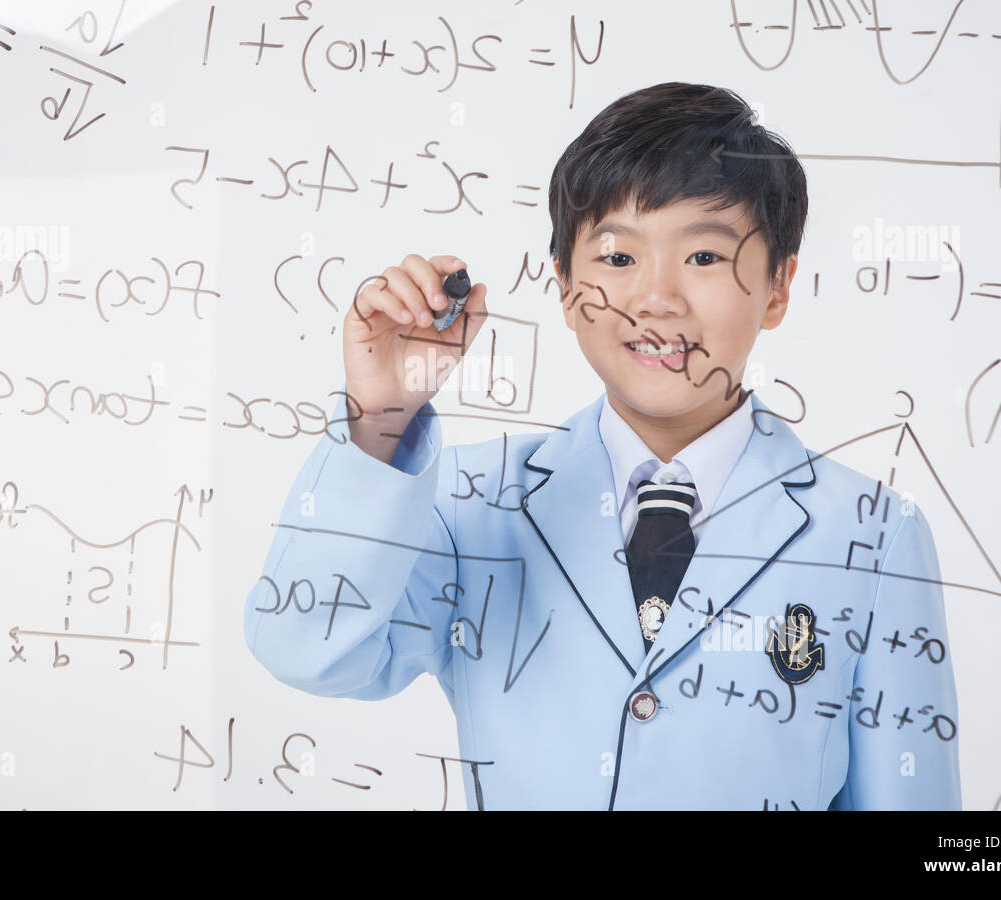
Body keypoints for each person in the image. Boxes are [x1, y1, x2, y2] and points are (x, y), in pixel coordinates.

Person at [244, 81, 962, 810]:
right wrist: (381, 416)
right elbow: (305, 649)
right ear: (564, 286)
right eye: (618, 259)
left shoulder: (874, 537)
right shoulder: (471, 506)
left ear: (777, 287)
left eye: (706, 258)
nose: (658, 298)